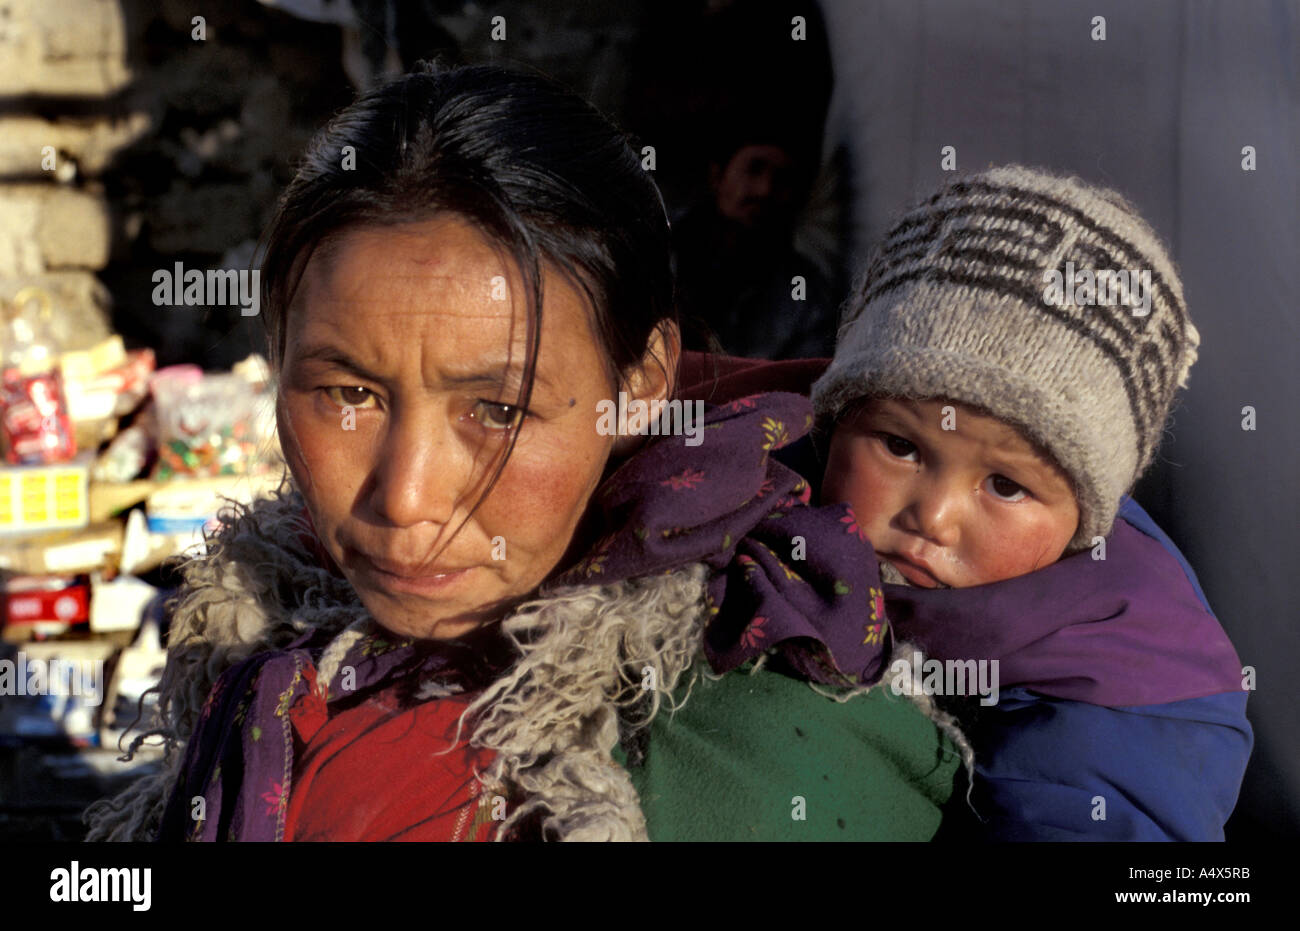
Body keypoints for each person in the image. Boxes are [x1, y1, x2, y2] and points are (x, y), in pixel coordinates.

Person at [84, 62, 962, 842]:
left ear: (642, 382)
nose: (406, 496)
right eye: (349, 395)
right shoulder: (267, 632)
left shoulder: (760, 749)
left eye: (499, 408)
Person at [808, 165, 1253, 840]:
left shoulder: (1115, 689)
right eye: (900, 446)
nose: (934, 516)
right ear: (837, 418)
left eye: (1006, 486)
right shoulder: (772, 460)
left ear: (1085, 520)